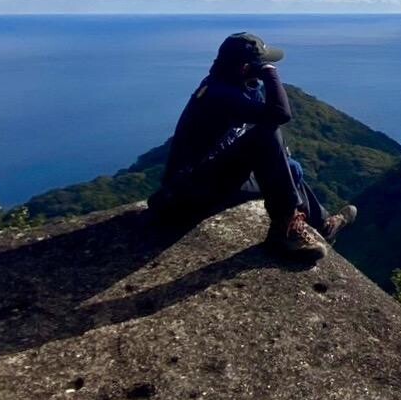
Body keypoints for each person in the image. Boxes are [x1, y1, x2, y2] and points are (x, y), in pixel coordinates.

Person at [149, 32, 356, 261]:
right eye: (262, 63)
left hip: (215, 181)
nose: (267, 66)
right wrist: (270, 72)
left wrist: (258, 77)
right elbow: (279, 114)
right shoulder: (218, 94)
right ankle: (283, 232)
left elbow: (267, 121)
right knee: (268, 133)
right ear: (247, 67)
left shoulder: (242, 87)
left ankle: (323, 224)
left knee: (291, 169)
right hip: (186, 195)